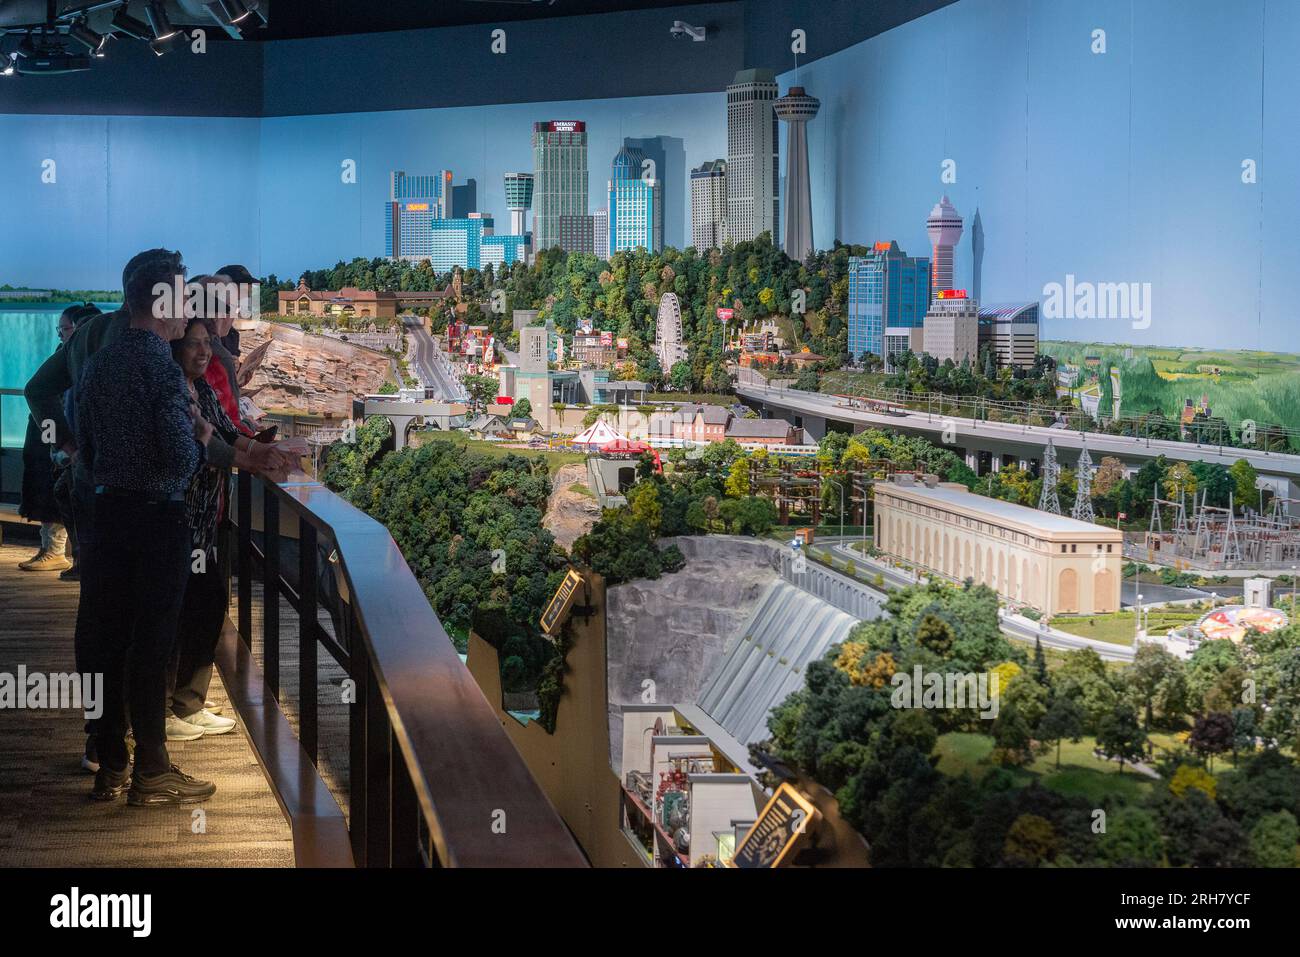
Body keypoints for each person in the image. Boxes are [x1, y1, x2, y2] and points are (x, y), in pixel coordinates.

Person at [24, 252, 289, 773]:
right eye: (183, 293)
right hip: (154, 507)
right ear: (161, 299)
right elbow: (184, 443)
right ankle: (146, 757)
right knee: (150, 632)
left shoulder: (93, 342)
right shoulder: (159, 354)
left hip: (96, 498)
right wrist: (221, 448)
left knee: (99, 625)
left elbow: (39, 390)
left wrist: (73, 447)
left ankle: (103, 742)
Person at [77, 251, 220, 805]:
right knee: (151, 643)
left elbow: (85, 450)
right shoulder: (161, 368)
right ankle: (153, 770)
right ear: (160, 302)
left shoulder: (98, 365)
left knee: (104, 638)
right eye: (183, 295)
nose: (188, 307)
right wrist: (203, 440)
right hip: (158, 521)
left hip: (106, 516)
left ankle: (110, 760)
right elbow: (180, 459)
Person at [165, 314, 240, 739]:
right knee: (184, 613)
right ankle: (175, 708)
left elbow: (227, 434)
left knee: (207, 607)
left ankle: (188, 702)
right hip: (183, 522)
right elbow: (212, 449)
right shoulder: (175, 391)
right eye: (194, 343)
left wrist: (264, 449)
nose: (204, 351)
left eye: (206, 343)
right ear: (176, 349)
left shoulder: (202, 389)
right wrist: (245, 456)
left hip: (208, 520)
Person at [17, 305, 83, 572]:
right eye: (59, 330)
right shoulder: (67, 355)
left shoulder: (73, 357)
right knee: (53, 490)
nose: (60, 336)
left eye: (63, 329)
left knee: (61, 492)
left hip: (65, 439)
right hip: (56, 437)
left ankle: (58, 551)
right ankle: (52, 550)